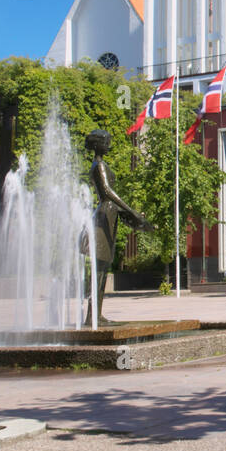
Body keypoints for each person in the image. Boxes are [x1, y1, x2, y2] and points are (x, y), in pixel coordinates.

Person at [82, 130, 150, 324]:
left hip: (109, 215)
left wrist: (131, 216)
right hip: (103, 217)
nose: (109, 144)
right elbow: (108, 192)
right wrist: (132, 211)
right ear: (97, 145)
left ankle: (96, 315)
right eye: (106, 141)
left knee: (103, 268)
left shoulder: (101, 164)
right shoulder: (99, 165)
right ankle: (92, 316)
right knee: (100, 268)